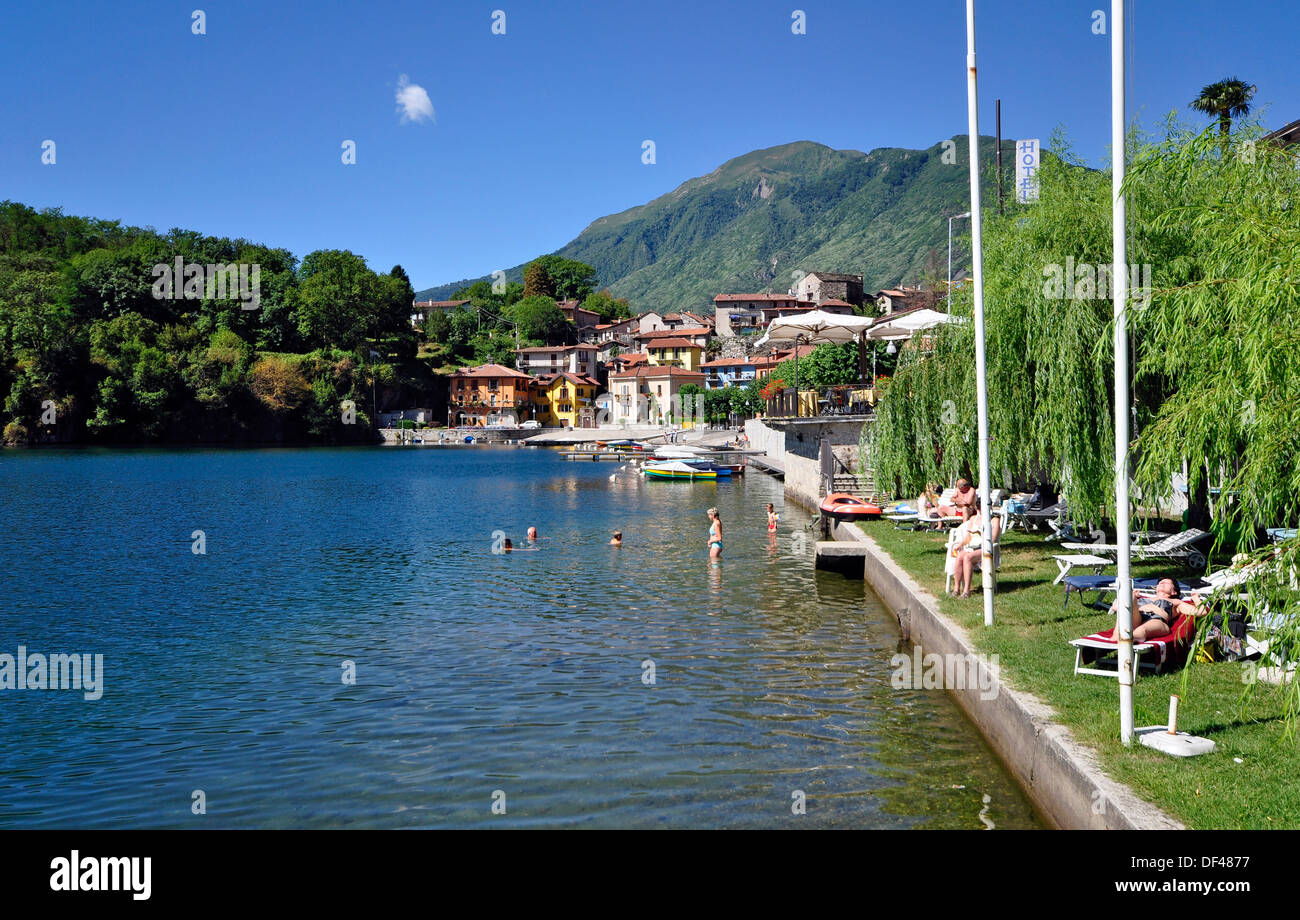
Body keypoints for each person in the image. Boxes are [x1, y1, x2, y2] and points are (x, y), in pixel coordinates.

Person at [1108, 577, 1200, 642]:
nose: (1161, 583)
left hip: (1157, 620)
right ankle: (1117, 637)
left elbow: (1201, 612)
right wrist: (1134, 597)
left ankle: (1128, 638)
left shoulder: (1176, 602)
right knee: (1130, 595)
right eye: (1160, 583)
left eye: (1166, 583)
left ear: (1174, 591)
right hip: (1138, 616)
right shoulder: (1142, 598)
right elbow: (1116, 607)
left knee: (1141, 630)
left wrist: (1196, 598)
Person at [949, 498, 1001, 598]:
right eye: (979, 507)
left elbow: (993, 539)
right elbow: (968, 537)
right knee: (960, 556)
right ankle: (956, 589)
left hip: (985, 548)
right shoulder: (974, 519)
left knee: (968, 558)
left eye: (982, 508)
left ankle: (966, 590)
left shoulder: (994, 520)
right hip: (972, 546)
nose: (980, 510)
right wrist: (960, 544)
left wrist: (979, 533)